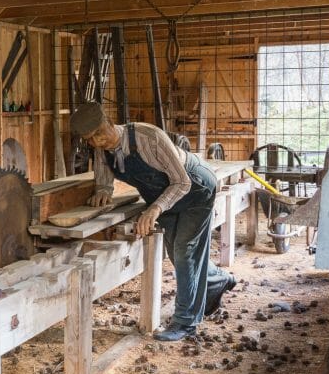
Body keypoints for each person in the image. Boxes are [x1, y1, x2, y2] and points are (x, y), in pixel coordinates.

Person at [70, 102, 236, 341]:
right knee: (178, 252)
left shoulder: (149, 137)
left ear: (108, 121)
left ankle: (185, 323)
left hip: (195, 187)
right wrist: (103, 191)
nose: (97, 141)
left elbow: (181, 182)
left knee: (184, 251)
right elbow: (104, 177)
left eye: (99, 133)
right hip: (164, 196)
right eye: (90, 139)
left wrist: (155, 209)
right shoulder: (101, 150)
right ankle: (219, 279)